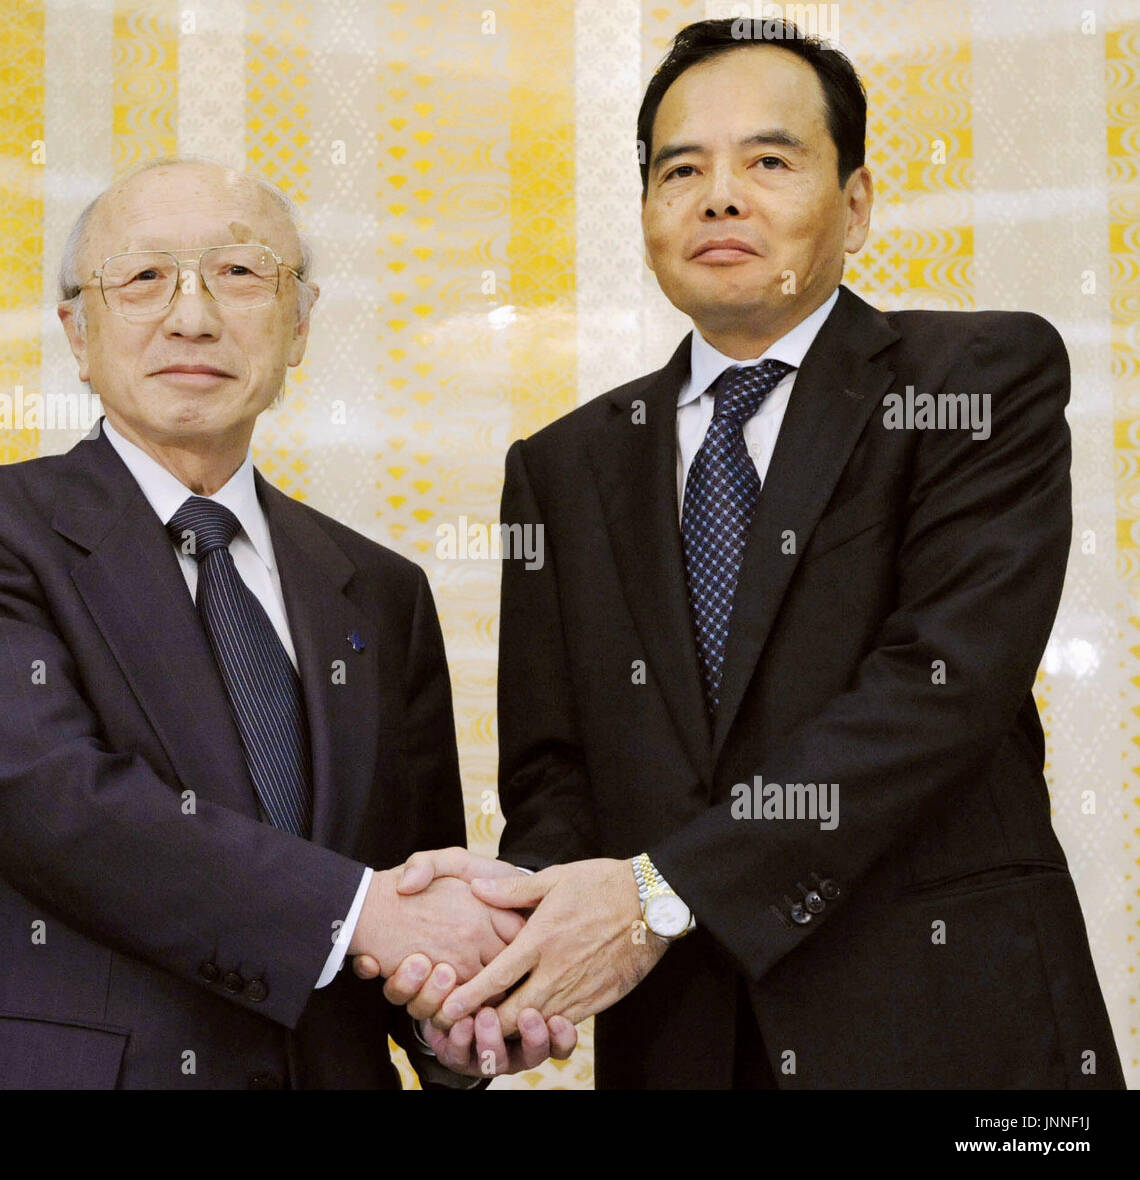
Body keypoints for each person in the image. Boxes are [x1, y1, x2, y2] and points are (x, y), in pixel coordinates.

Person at [366, 19, 1125, 1089]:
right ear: (645, 212)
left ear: (854, 204)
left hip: (949, 1031)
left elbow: (937, 687)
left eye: (768, 160)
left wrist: (658, 894)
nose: (719, 196)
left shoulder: (977, 376)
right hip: (681, 1045)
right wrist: (505, 976)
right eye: (681, 169)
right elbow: (556, 777)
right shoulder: (561, 464)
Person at [0, 157, 574, 1089]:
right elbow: (57, 804)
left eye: (241, 274)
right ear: (77, 332)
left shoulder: (378, 588)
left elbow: (404, 885)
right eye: (142, 278)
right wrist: (364, 914)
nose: (192, 315)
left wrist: (451, 1021)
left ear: (300, 326)